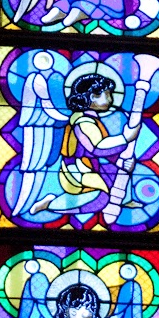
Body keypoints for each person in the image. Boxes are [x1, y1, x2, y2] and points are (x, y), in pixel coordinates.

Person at [29, 72, 138, 216]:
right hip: (76, 171)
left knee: (118, 175)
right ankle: (51, 203)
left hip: (93, 166)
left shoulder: (93, 120)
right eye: (107, 94)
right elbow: (97, 147)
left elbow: (105, 151)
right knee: (101, 198)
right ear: (92, 97)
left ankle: (125, 200)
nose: (111, 99)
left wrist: (120, 162)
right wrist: (125, 138)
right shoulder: (83, 122)